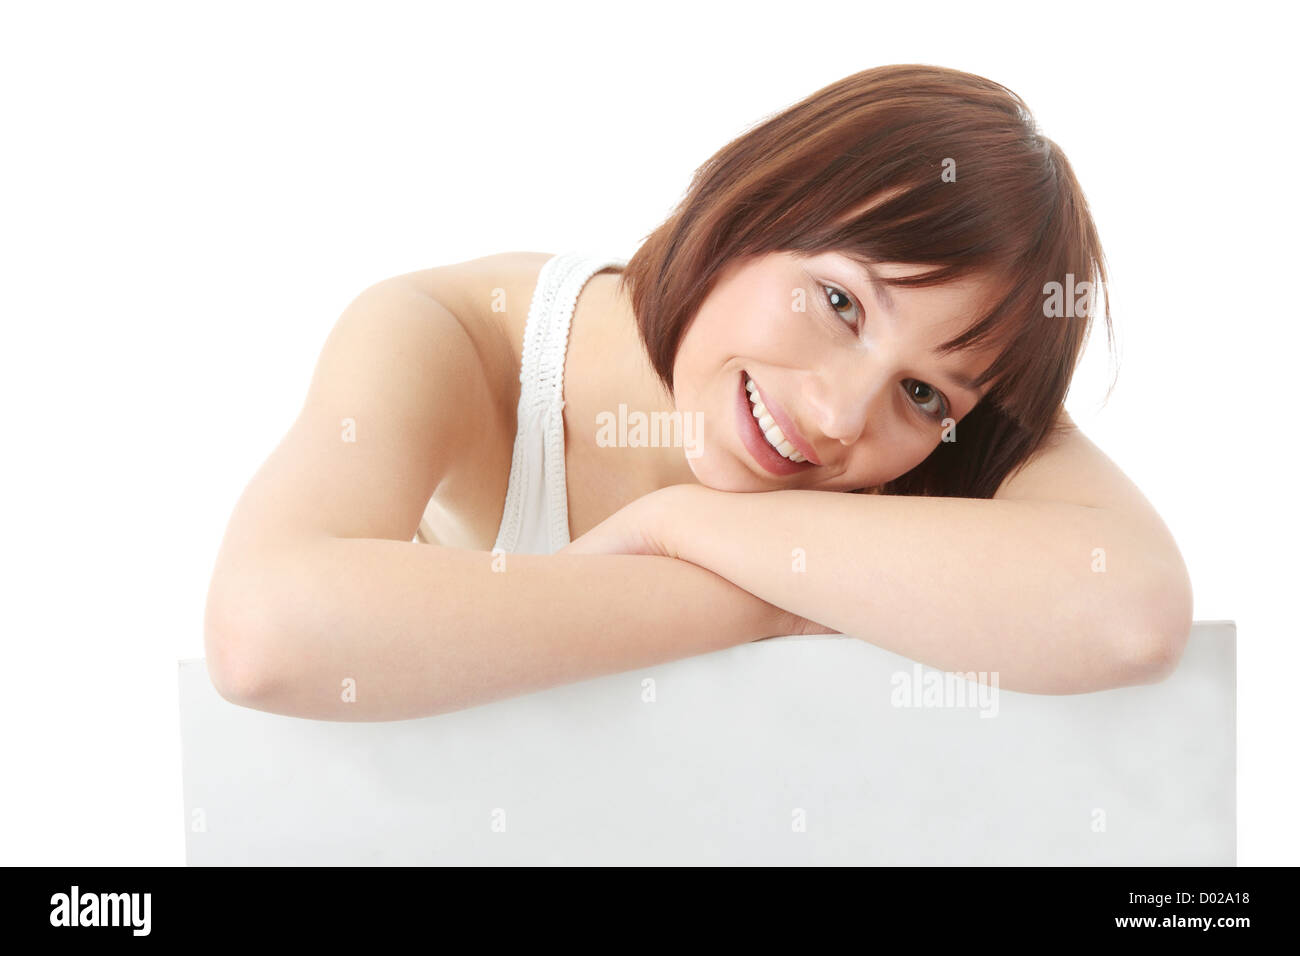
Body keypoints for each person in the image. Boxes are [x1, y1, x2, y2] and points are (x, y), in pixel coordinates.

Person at [203, 64, 1193, 721]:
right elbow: (264, 635)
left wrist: (679, 522)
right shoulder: (460, 335)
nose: (845, 414)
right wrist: (757, 601)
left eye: (926, 396)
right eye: (842, 301)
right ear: (752, 204)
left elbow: (1130, 611)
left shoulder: (940, 431)